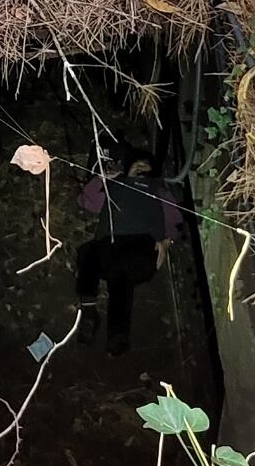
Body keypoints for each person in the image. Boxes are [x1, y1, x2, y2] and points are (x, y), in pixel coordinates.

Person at [76, 150, 184, 354]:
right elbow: (85, 201)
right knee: (87, 253)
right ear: (127, 170)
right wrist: (102, 178)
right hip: (109, 245)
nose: (141, 167)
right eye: (137, 165)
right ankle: (89, 313)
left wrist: (167, 242)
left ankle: (118, 335)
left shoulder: (158, 191)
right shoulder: (116, 186)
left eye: (145, 165)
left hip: (142, 247)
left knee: (122, 273)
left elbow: (176, 220)